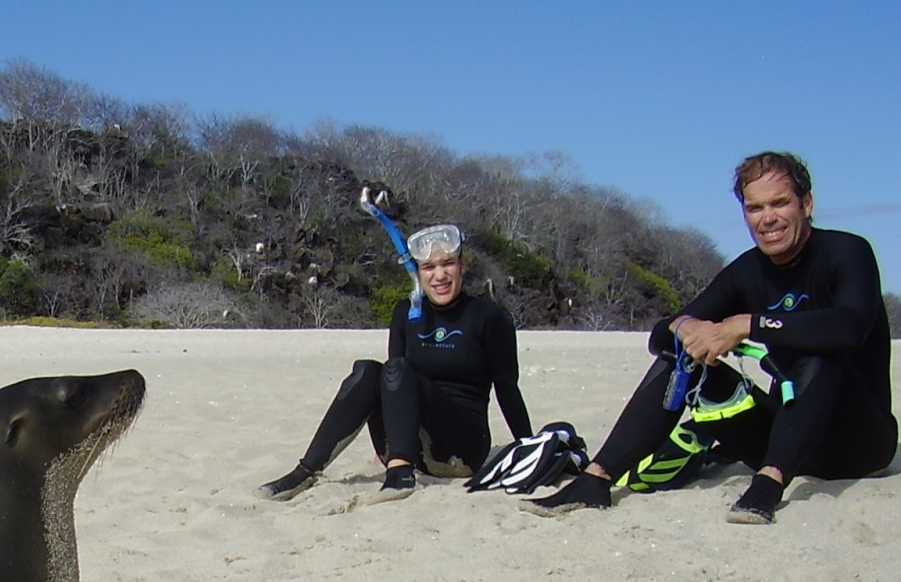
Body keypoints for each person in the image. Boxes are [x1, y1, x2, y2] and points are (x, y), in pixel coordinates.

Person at [524, 151, 896, 525]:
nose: (767, 218)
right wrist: (685, 327)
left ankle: (767, 487)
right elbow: (660, 336)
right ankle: (596, 480)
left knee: (818, 352)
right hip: (785, 438)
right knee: (684, 353)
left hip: (860, 445)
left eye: (779, 203)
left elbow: (849, 327)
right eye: (755, 208)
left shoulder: (847, 251)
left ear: (807, 204)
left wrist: (748, 325)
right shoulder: (747, 271)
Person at [258, 223, 533, 502]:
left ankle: (400, 473)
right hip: (413, 445)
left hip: (462, 450)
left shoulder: (489, 317)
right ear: (417, 272)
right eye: (429, 267)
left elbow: (508, 390)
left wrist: (529, 446)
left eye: (448, 263)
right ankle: (305, 471)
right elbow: (393, 385)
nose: (439, 275)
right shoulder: (406, 313)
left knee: (397, 368)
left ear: (463, 266)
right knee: (368, 371)